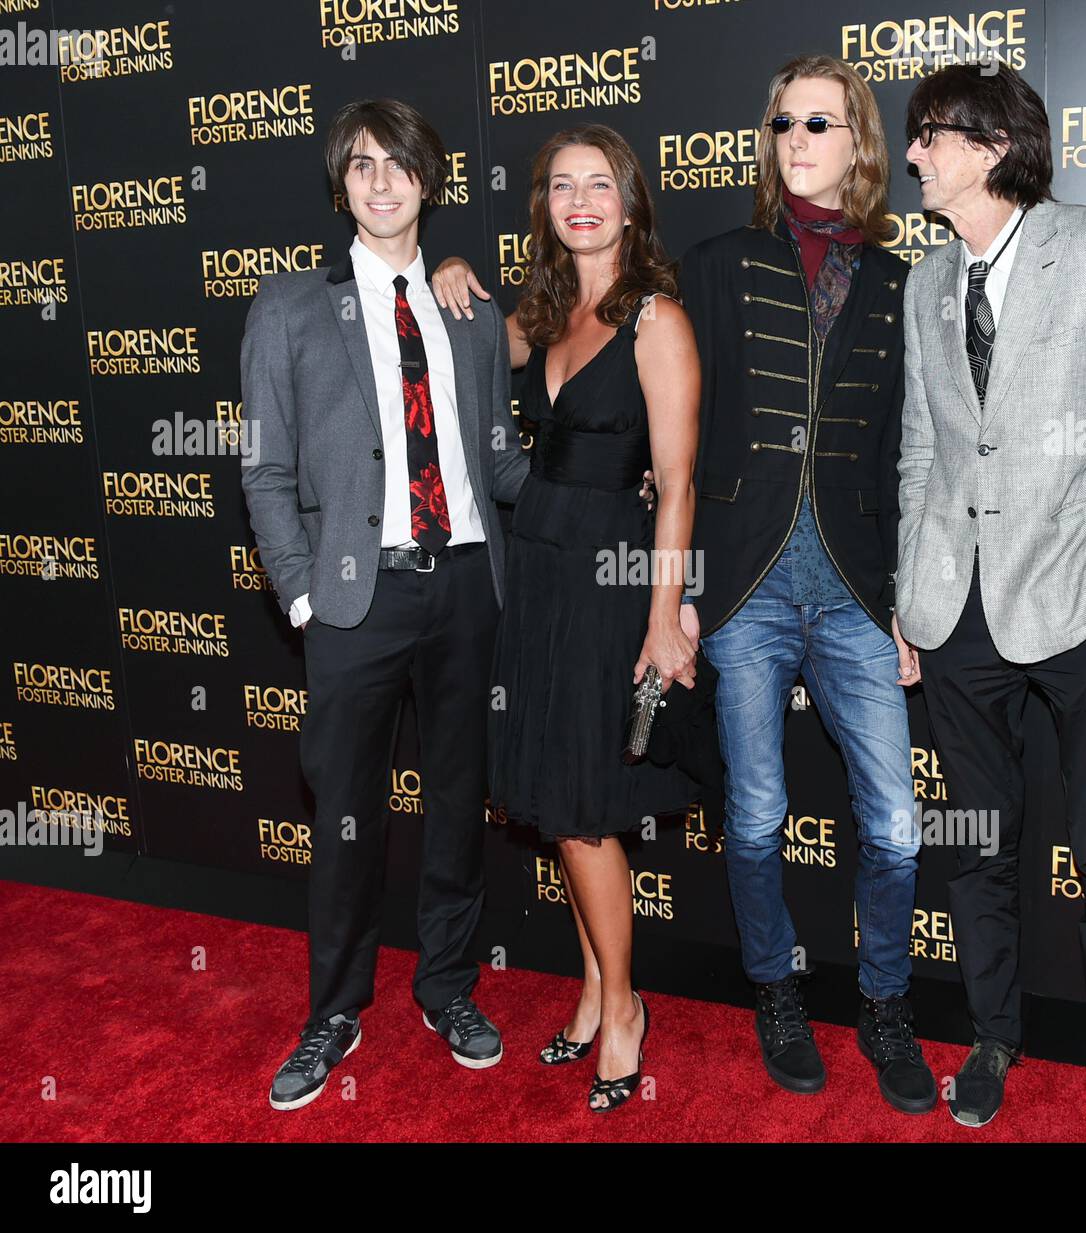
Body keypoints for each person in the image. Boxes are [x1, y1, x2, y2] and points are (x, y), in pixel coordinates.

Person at [893, 63, 1086, 1143]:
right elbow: (923, 449)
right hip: (951, 612)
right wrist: (908, 599)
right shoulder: (926, 281)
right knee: (975, 843)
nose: (912, 155)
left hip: (1075, 601)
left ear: (992, 145)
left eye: (929, 137)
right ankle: (991, 1036)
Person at [240, 97, 532, 1110]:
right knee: (347, 820)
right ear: (341, 184)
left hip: (463, 589)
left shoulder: (471, 308)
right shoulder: (286, 308)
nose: (379, 180)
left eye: (397, 163)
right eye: (360, 164)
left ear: (429, 180)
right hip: (354, 602)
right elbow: (265, 470)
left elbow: (496, 459)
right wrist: (305, 596)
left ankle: (448, 988)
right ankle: (333, 1013)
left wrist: (597, 504)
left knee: (457, 806)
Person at [677, 54, 933, 1112]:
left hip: (857, 587)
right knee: (754, 816)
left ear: (859, 145)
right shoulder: (719, 263)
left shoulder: (896, 282)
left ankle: (882, 1002)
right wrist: (682, 590)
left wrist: (907, 605)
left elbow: (906, 458)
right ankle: (774, 986)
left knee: (895, 826)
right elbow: (675, 439)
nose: (796, 138)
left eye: (818, 123)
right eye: (782, 121)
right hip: (743, 586)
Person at [435, 124, 703, 1113]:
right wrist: (455, 268)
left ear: (630, 203)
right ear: (543, 206)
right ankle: (594, 988)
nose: (580, 200)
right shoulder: (546, 310)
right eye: (561, 186)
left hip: (609, 577)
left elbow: (675, 485)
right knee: (553, 795)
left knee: (587, 812)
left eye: (600, 185)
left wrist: (665, 615)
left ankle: (625, 1009)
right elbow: (467, 336)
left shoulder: (657, 320)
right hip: (537, 570)